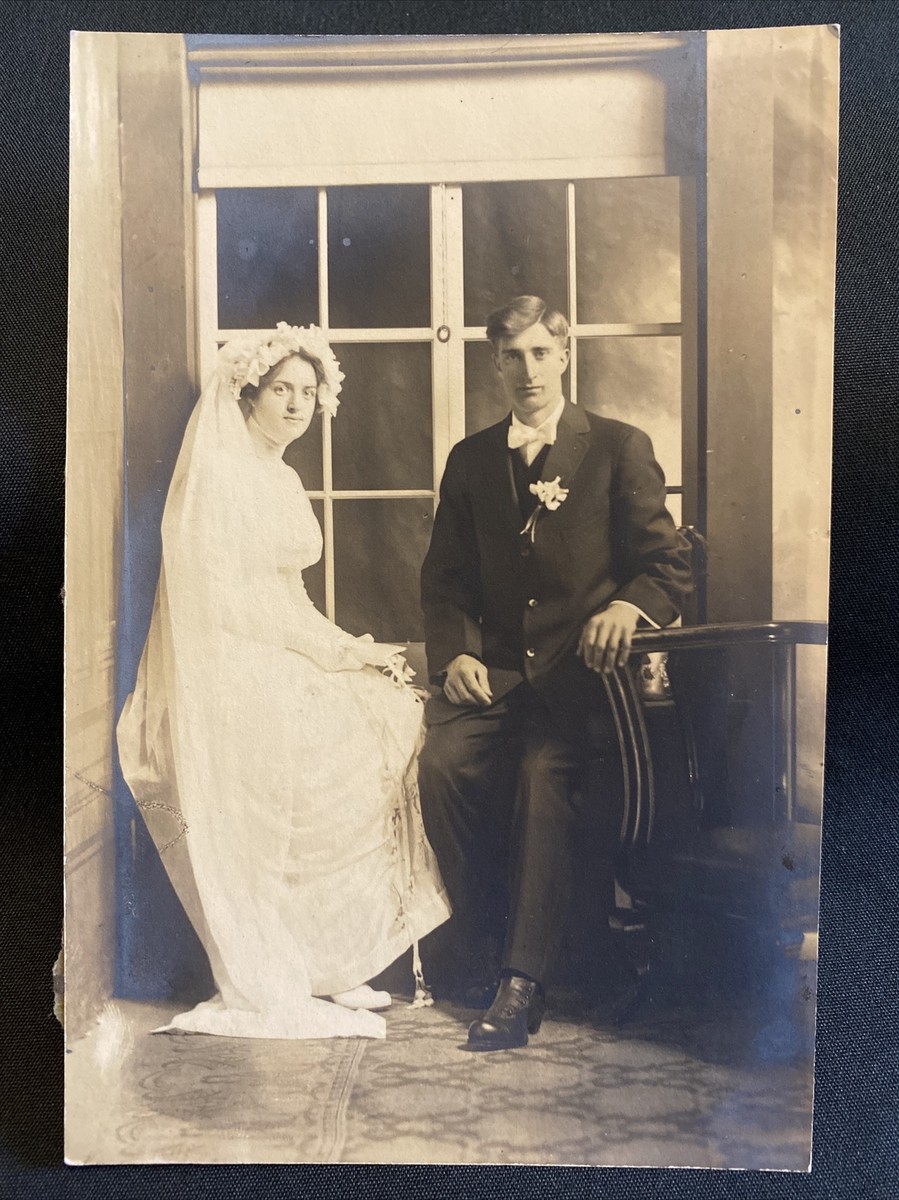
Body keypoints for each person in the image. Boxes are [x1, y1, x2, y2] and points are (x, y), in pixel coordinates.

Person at [117, 323, 450, 1041]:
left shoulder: (284, 476)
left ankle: (335, 955)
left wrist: (344, 648)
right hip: (231, 662)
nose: (298, 405)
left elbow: (289, 599)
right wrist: (322, 655)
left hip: (278, 642)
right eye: (282, 391)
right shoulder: (220, 477)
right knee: (337, 733)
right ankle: (298, 960)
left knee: (386, 707)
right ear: (249, 394)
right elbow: (228, 606)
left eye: (308, 392)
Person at [418, 295, 692, 1052]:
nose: (527, 370)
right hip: (500, 677)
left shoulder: (616, 446)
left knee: (544, 775)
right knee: (442, 763)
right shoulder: (470, 459)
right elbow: (444, 580)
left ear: (564, 355)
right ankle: (476, 944)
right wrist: (458, 653)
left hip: (583, 684)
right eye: (511, 355)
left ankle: (521, 985)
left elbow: (668, 567)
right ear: (495, 364)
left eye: (540, 353)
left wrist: (629, 610)